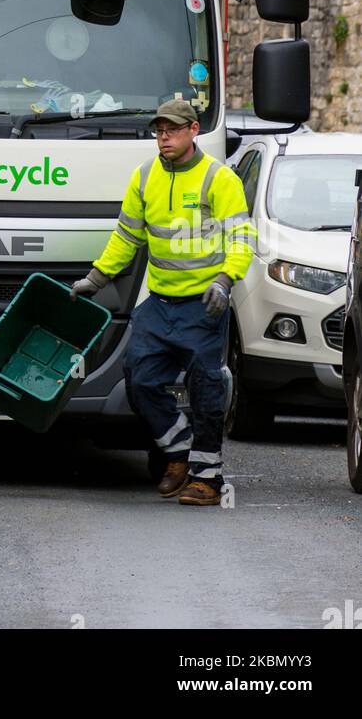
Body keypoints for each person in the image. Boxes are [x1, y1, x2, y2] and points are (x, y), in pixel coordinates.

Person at [70, 99, 256, 506]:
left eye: (171, 130)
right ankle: (178, 453)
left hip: (203, 304)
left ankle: (208, 480)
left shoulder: (219, 180)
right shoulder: (144, 177)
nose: (163, 137)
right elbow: (127, 236)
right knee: (138, 379)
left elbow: (242, 239)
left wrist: (225, 282)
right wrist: (96, 277)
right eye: (159, 131)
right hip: (159, 303)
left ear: (192, 130)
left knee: (206, 389)